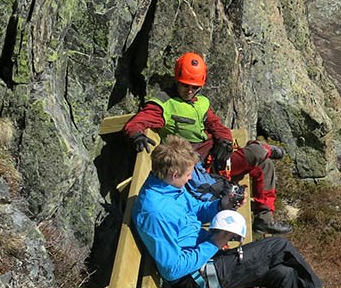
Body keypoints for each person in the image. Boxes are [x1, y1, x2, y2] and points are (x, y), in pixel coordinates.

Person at [131, 135, 341, 288]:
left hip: (207, 259)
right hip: (196, 280)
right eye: (189, 173)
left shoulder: (169, 188)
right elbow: (172, 269)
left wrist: (222, 205)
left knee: (284, 274)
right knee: (279, 246)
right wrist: (216, 241)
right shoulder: (155, 212)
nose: (192, 176)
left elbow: (195, 211)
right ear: (174, 174)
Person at [124, 51, 292, 235]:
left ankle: (264, 219)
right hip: (201, 169)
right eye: (185, 85)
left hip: (217, 158)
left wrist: (225, 142)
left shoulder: (201, 102)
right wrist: (136, 135)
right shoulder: (164, 104)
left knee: (264, 165)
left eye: (194, 87)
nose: (189, 91)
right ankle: (265, 148)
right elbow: (138, 121)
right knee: (258, 154)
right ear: (177, 80)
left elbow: (216, 125)